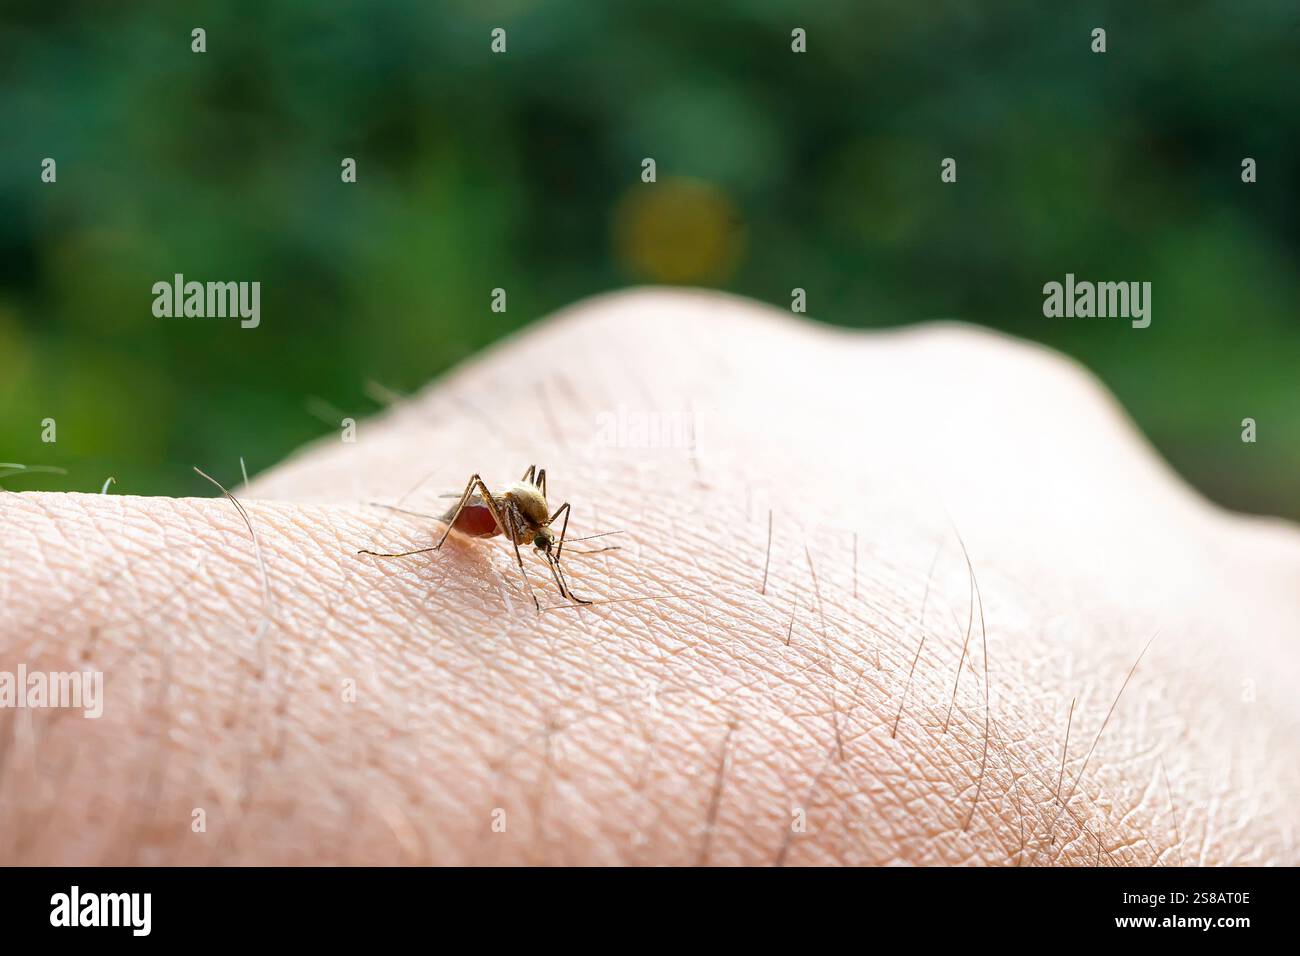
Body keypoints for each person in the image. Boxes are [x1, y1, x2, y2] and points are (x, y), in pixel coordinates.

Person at [2, 288, 1296, 865]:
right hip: (467, 526)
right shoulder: (496, 524)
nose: (537, 538)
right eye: (535, 537)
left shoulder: (538, 517)